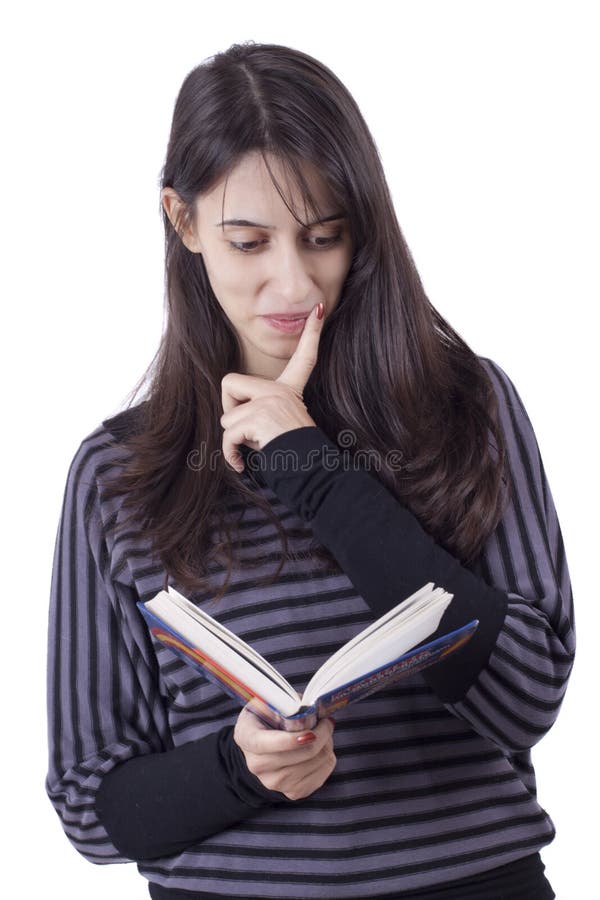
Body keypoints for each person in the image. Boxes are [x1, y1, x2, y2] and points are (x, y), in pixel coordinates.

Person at [45, 41, 574, 900]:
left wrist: (311, 466)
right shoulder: (117, 473)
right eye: (248, 242)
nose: (292, 283)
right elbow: (89, 805)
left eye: (324, 237)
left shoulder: (466, 403)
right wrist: (240, 769)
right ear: (183, 222)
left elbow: (526, 696)